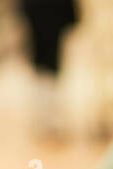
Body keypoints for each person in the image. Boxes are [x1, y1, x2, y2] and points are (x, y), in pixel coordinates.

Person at [16, 0, 80, 138]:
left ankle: (47, 118)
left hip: (42, 19)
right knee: (49, 69)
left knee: (44, 70)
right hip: (50, 20)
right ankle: (49, 119)